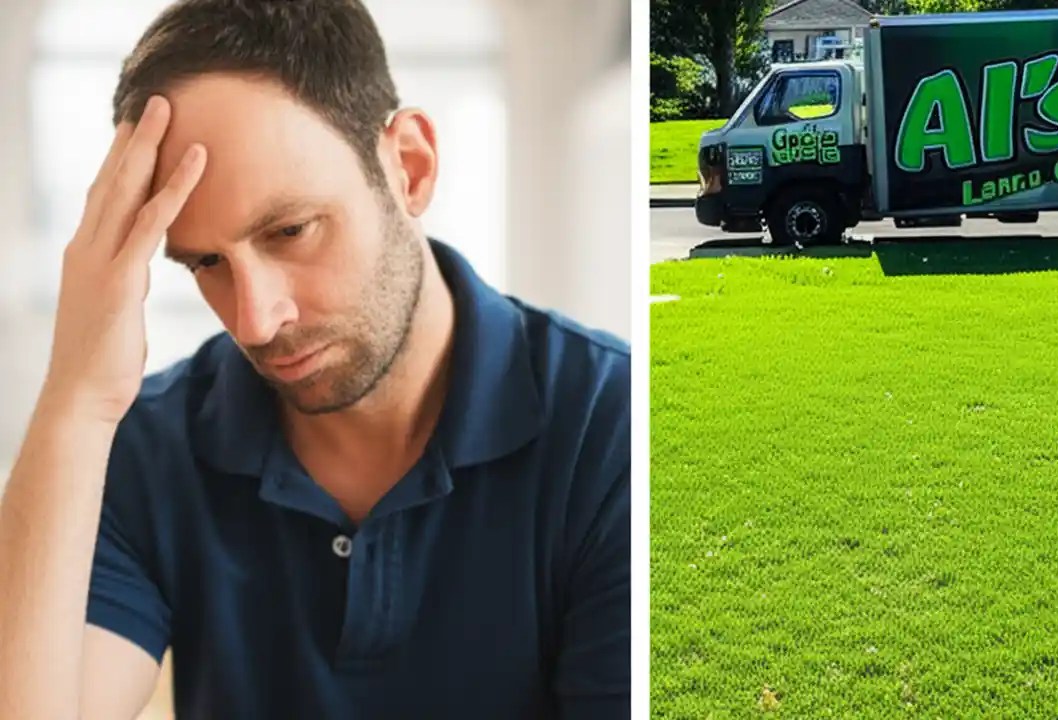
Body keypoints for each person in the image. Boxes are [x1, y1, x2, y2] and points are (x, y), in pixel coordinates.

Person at [0, 1, 630, 718]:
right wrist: (76, 400)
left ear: (410, 169)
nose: (255, 319)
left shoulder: (612, 430)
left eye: (291, 230)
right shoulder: (145, 450)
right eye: (204, 262)